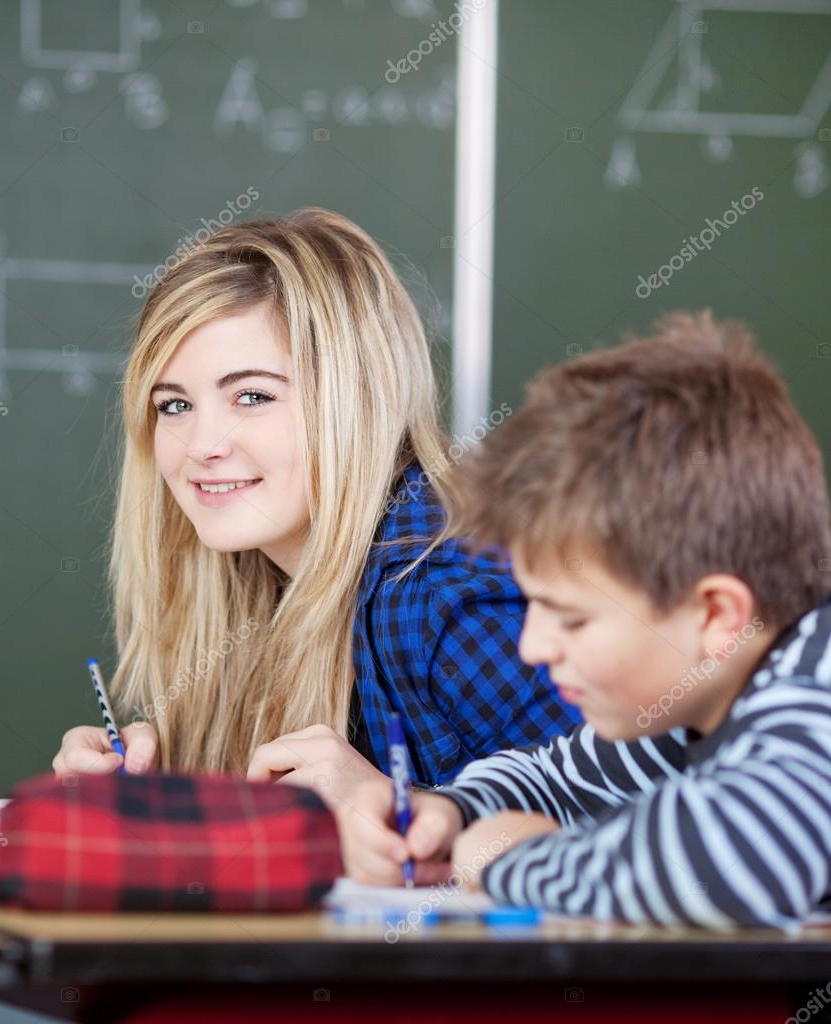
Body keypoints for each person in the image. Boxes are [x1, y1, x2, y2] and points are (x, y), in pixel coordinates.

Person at [341, 310, 831, 951]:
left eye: (571, 617)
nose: (532, 645)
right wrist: (450, 813)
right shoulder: (712, 684)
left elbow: (718, 871)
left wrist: (508, 860)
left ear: (716, 615)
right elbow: (560, 778)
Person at [51, 208, 580, 802]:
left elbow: (632, 825)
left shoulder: (442, 594)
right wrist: (162, 794)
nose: (200, 446)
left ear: (356, 400)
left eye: (252, 396)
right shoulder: (254, 576)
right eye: (174, 405)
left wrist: (399, 806)